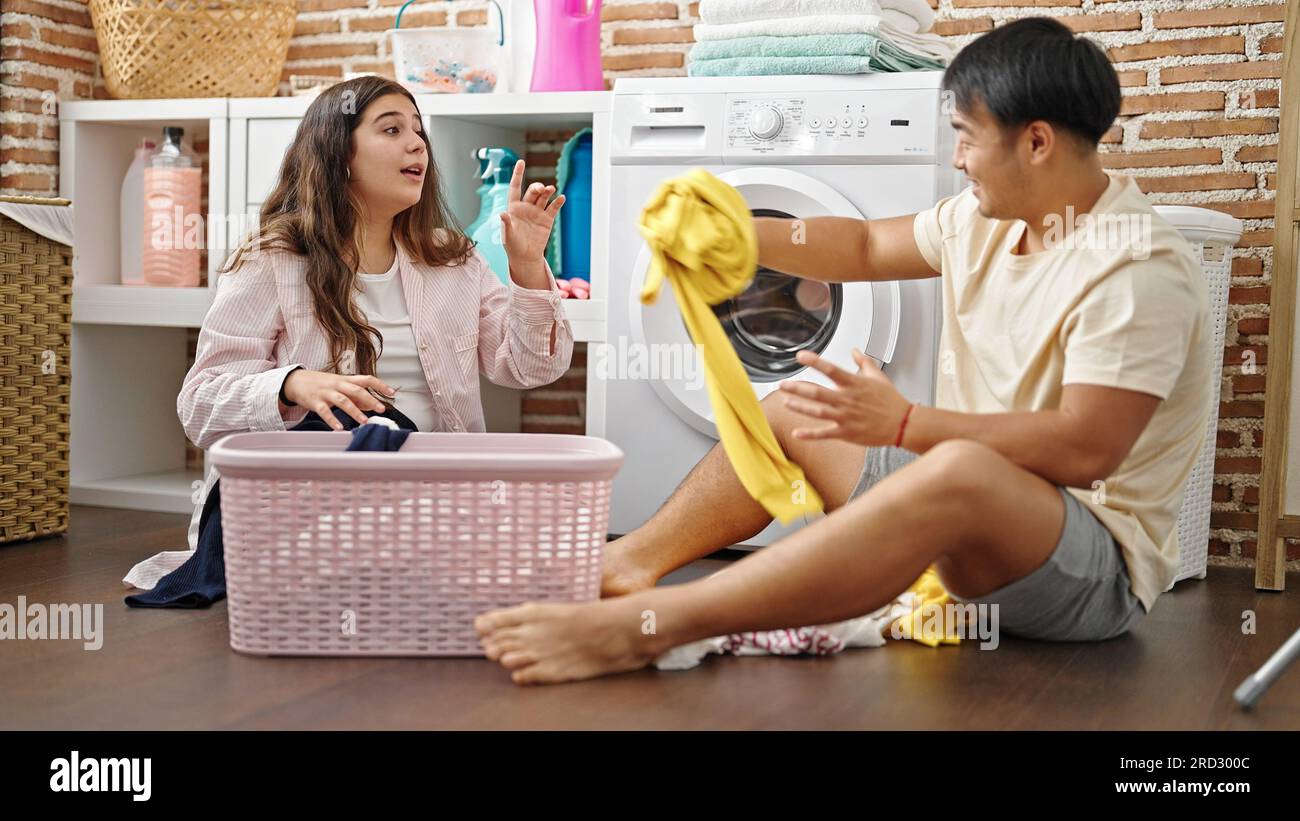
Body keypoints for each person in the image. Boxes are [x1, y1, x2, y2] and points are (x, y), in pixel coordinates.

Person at [475, 18, 1211, 686]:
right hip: (975, 521)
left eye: (966, 135)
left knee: (958, 466)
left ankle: (651, 629)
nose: (957, 159)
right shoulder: (986, 221)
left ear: (1037, 141)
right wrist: (737, 229)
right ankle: (630, 566)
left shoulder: (1135, 266)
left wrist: (904, 425)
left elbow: (1085, 449)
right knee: (800, 402)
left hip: (1089, 572)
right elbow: (860, 244)